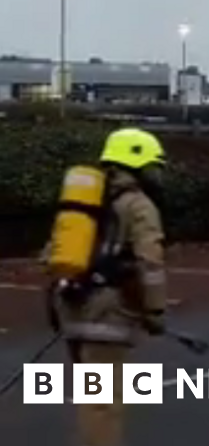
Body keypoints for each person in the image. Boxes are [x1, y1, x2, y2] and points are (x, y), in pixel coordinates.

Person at [47, 127, 168, 446]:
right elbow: (150, 262)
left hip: (70, 304)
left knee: (90, 396)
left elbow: (51, 253)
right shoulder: (138, 205)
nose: (156, 175)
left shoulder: (86, 201)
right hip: (108, 313)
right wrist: (155, 310)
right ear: (137, 162)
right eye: (153, 166)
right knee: (103, 403)